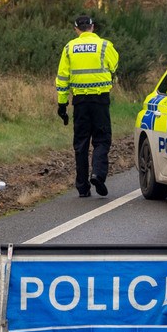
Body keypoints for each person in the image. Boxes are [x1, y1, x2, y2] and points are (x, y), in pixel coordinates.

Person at [56, 12, 120, 198]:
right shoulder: (105, 45)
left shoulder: (69, 48)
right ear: (93, 27)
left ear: (76, 29)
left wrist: (62, 105)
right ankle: (98, 174)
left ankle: (82, 186)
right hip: (100, 100)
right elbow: (114, 66)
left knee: (81, 143)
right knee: (102, 139)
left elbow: (62, 78)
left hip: (80, 102)